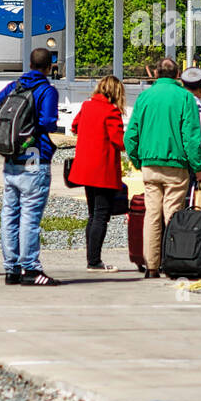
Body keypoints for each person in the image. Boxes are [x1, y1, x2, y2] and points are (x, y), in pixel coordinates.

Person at [0, 47, 62, 286]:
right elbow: (47, 123)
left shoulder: (14, 87)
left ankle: (11, 269)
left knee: (10, 214)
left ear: (29, 63)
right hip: (34, 157)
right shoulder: (46, 90)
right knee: (30, 216)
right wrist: (34, 131)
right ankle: (31, 269)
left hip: (11, 158)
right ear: (50, 67)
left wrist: (11, 135)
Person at [123, 56, 201, 279]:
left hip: (150, 164)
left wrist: (138, 160)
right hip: (176, 165)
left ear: (156, 74)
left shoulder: (144, 97)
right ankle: (173, 261)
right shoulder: (185, 98)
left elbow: (130, 135)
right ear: (177, 75)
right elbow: (190, 138)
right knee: (173, 214)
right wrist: (199, 167)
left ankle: (151, 266)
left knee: (152, 215)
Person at [69, 74, 126, 272]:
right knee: (101, 216)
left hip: (85, 169)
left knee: (93, 215)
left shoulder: (87, 106)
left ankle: (92, 258)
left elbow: (74, 126)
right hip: (102, 171)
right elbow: (119, 141)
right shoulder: (111, 112)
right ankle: (94, 261)